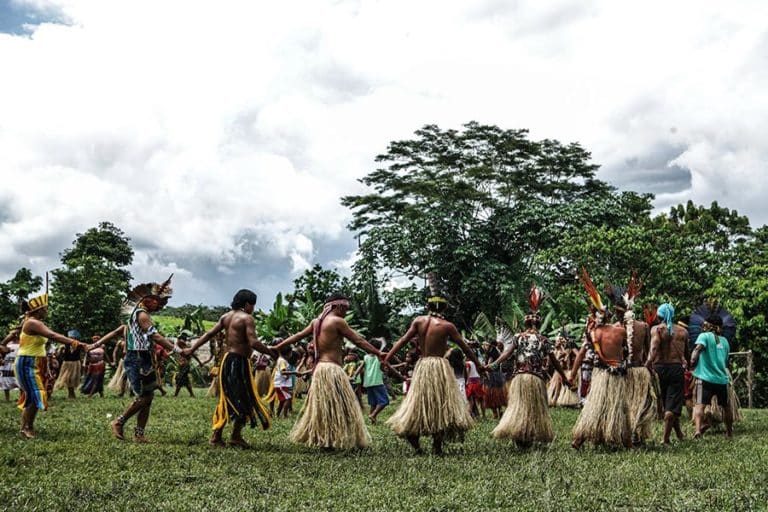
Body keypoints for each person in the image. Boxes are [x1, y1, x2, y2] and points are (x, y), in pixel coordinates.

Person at [273, 292, 383, 450]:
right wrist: (378, 353)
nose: (346, 311)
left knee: (325, 408)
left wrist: (277, 347)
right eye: (345, 308)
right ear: (337, 306)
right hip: (332, 370)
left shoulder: (316, 322)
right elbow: (358, 340)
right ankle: (335, 439)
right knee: (343, 407)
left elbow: (298, 336)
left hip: (320, 370)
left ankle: (327, 440)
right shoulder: (338, 321)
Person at [384, 295, 482, 455]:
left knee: (418, 402)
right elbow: (465, 347)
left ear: (427, 307)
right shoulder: (447, 326)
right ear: (445, 308)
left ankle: (418, 446)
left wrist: (387, 358)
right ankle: (437, 447)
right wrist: (479, 365)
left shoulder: (418, 321)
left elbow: (403, 340)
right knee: (439, 405)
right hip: (439, 367)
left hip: (423, 366)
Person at [184, 289, 275, 448]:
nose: (253, 309)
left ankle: (232, 436)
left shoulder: (225, 317)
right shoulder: (247, 318)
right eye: (253, 305)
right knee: (241, 398)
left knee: (231, 398)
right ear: (247, 304)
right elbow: (253, 342)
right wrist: (271, 352)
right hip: (239, 362)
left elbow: (208, 334)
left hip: (227, 361)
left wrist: (192, 349)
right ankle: (222, 436)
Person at [489, 285, 570, 448]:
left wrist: (493, 364)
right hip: (535, 379)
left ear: (526, 323)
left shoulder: (519, 337)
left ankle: (520, 434)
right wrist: (565, 378)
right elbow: (554, 361)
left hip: (520, 378)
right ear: (538, 324)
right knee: (533, 409)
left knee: (519, 406)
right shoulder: (543, 340)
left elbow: (507, 353)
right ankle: (527, 434)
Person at [105, 277, 181, 443]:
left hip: (143, 356)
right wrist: (177, 350)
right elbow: (155, 336)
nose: (160, 305)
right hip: (137, 357)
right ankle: (119, 421)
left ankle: (139, 434)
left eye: (161, 302)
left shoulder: (141, 313)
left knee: (148, 397)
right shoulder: (141, 314)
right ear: (148, 299)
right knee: (145, 397)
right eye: (158, 301)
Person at [571, 269, 632, 449]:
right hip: (616, 375)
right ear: (609, 316)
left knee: (594, 407)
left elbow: (586, 353)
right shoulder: (620, 331)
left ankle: (579, 440)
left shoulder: (594, 333)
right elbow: (626, 352)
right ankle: (627, 443)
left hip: (600, 375)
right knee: (619, 407)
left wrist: (572, 375)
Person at [14, 293, 88, 438]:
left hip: (35, 361)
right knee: (36, 393)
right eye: (46, 309)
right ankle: (26, 428)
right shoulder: (32, 322)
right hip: (28, 361)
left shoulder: (34, 321)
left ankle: (27, 426)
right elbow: (53, 335)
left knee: (35, 394)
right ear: (39, 310)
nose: (47, 311)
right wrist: (77, 343)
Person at [605, 275, 654, 446]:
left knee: (622, 405)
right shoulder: (644, 326)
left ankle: (624, 434)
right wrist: (648, 368)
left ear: (619, 312)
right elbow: (649, 352)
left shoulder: (614, 328)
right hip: (640, 371)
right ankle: (634, 435)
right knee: (638, 405)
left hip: (622, 373)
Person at [645, 303, 689, 444]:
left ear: (659, 316)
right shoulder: (683, 332)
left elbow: (654, 348)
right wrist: (688, 364)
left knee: (667, 404)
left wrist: (648, 363)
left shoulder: (656, 330)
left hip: (659, 368)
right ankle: (665, 439)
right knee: (672, 406)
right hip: (675, 368)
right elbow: (687, 353)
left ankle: (678, 434)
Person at [691, 314, 732, 438]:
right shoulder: (725, 341)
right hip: (721, 379)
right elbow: (726, 361)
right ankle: (729, 432)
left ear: (709, 326)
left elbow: (698, 349)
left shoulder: (704, 336)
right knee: (726, 407)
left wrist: (692, 361)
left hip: (705, 378)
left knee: (700, 405)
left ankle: (698, 431)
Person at [362, 338, 390, 424]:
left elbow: (362, 368)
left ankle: (373, 421)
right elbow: (382, 367)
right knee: (385, 401)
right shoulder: (379, 357)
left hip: (368, 383)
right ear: (379, 348)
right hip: (377, 382)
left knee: (373, 403)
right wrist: (385, 369)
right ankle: (373, 415)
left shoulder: (365, 357)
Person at [53, 329, 85, 399]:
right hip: (67, 363)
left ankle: (72, 393)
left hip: (76, 363)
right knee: (68, 378)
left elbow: (82, 354)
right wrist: (60, 350)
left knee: (73, 378)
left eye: (73, 338)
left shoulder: (79, 345)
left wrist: (83, 363)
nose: (72, 339)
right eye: (70, 338)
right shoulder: (64, 346)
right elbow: (57, 355)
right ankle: (70, 393)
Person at [482, 340, 506, 419]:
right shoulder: (497, 353)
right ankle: (500, 411)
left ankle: (495, 414)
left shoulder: (491, 355)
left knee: (491, 395)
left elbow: (489, 366)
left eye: (486, 345)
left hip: (492, 376)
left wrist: (485, 370)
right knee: (498, 394)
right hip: (498, 375)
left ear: (490, 346)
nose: (484, 346)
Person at [465, 341, 485, 418]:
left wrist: (467, 381)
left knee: (471, 401)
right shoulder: (476, 363)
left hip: (471, 382)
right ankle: (483, 415)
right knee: (481, 399)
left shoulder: (468, 363)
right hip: (478, 380)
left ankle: (469, 416)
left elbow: (467, 372)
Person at [1, 329, 20, 401]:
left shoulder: (22, 344)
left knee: (20, 382)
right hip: (7, 365)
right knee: (6, 381)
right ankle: (7, 398)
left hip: (17, 364)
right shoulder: (5, 345)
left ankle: (21, 398)